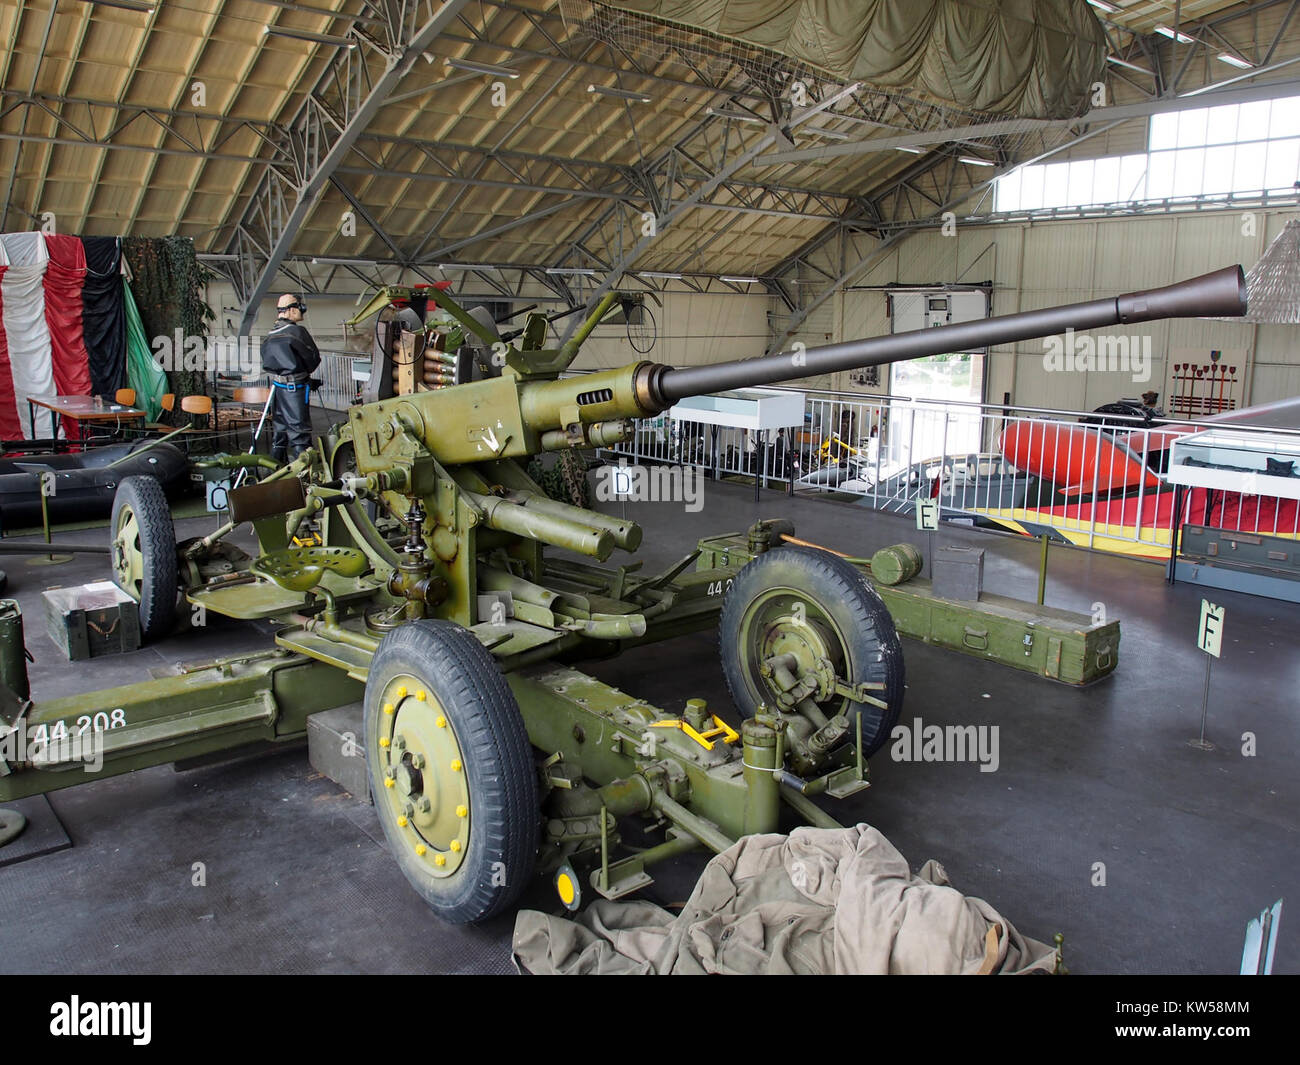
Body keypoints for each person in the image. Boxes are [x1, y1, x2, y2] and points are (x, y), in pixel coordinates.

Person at [261, 294, 321, 463]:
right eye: (300, 307)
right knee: (299, 435)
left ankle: (276, 469)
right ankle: (306, 477)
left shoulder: (271, 333)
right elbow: (313, 358)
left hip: (278, 388)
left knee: (279, 434)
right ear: (292, 310)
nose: (302, 311)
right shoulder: (296, 332)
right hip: (295, 389)